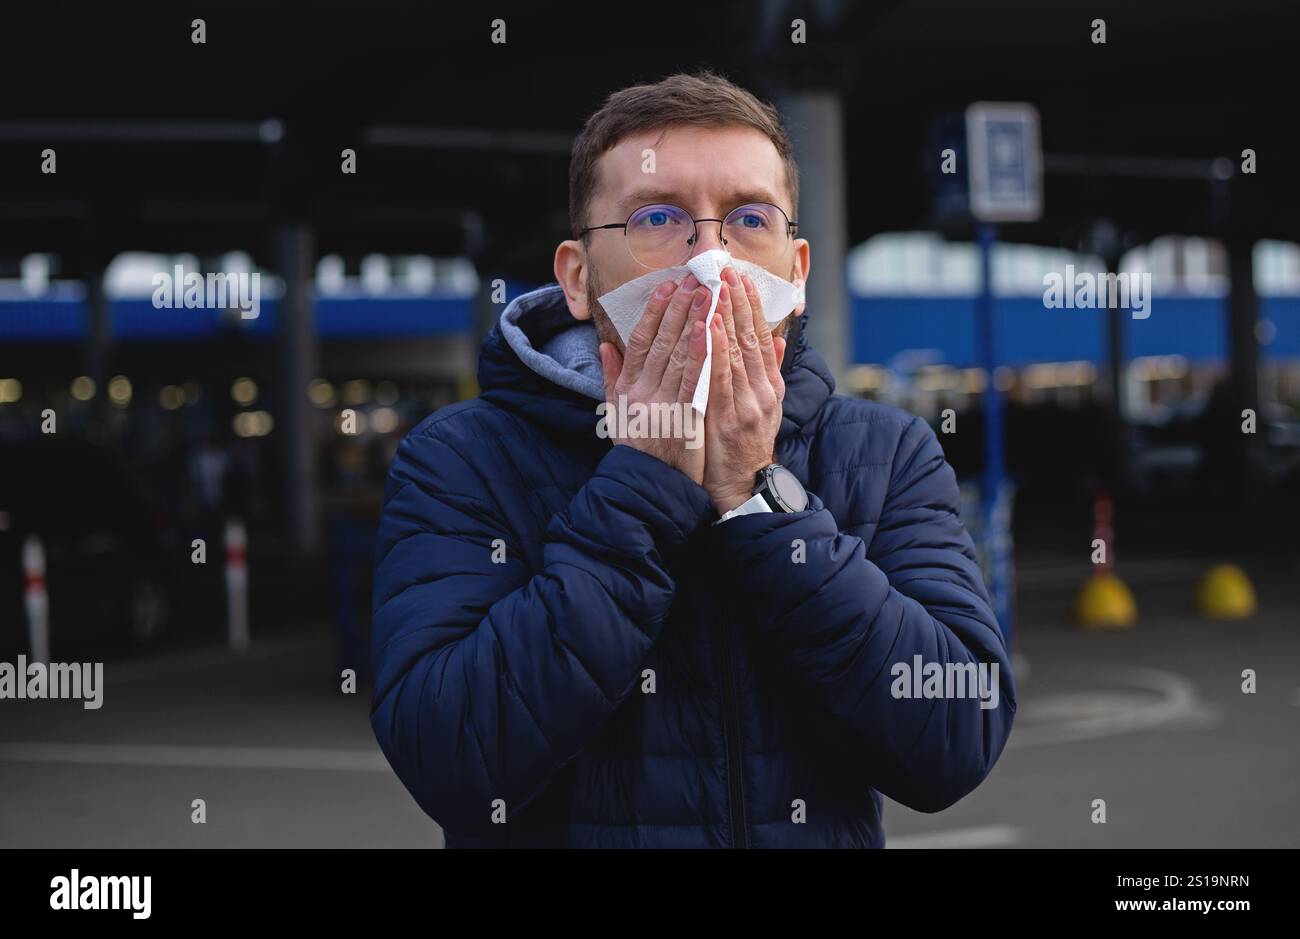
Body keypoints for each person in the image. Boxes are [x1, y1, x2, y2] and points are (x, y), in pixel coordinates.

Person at [370, 71, 1015, 847]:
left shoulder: (883, 452)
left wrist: (760, 501)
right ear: (578, 278)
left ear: (797, 271)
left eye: (748, 218)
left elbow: (956, 735)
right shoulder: (460, 460)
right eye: (658, 216)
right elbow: (452, 760)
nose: (709, 257)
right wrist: (643, 485)